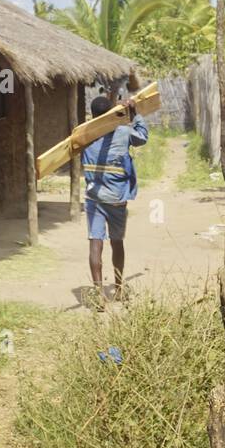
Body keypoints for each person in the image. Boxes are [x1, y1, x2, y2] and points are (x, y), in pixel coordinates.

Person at [81, 92, 148, 308]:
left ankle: (99, 295)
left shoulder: (84, 134)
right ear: (110, 113)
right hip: (117, 200)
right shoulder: (123, 132)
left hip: (93, 199)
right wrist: (134, 113)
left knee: (95, 243)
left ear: (92, 115)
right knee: (117, 243)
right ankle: (118, 289)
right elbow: (143, 137)